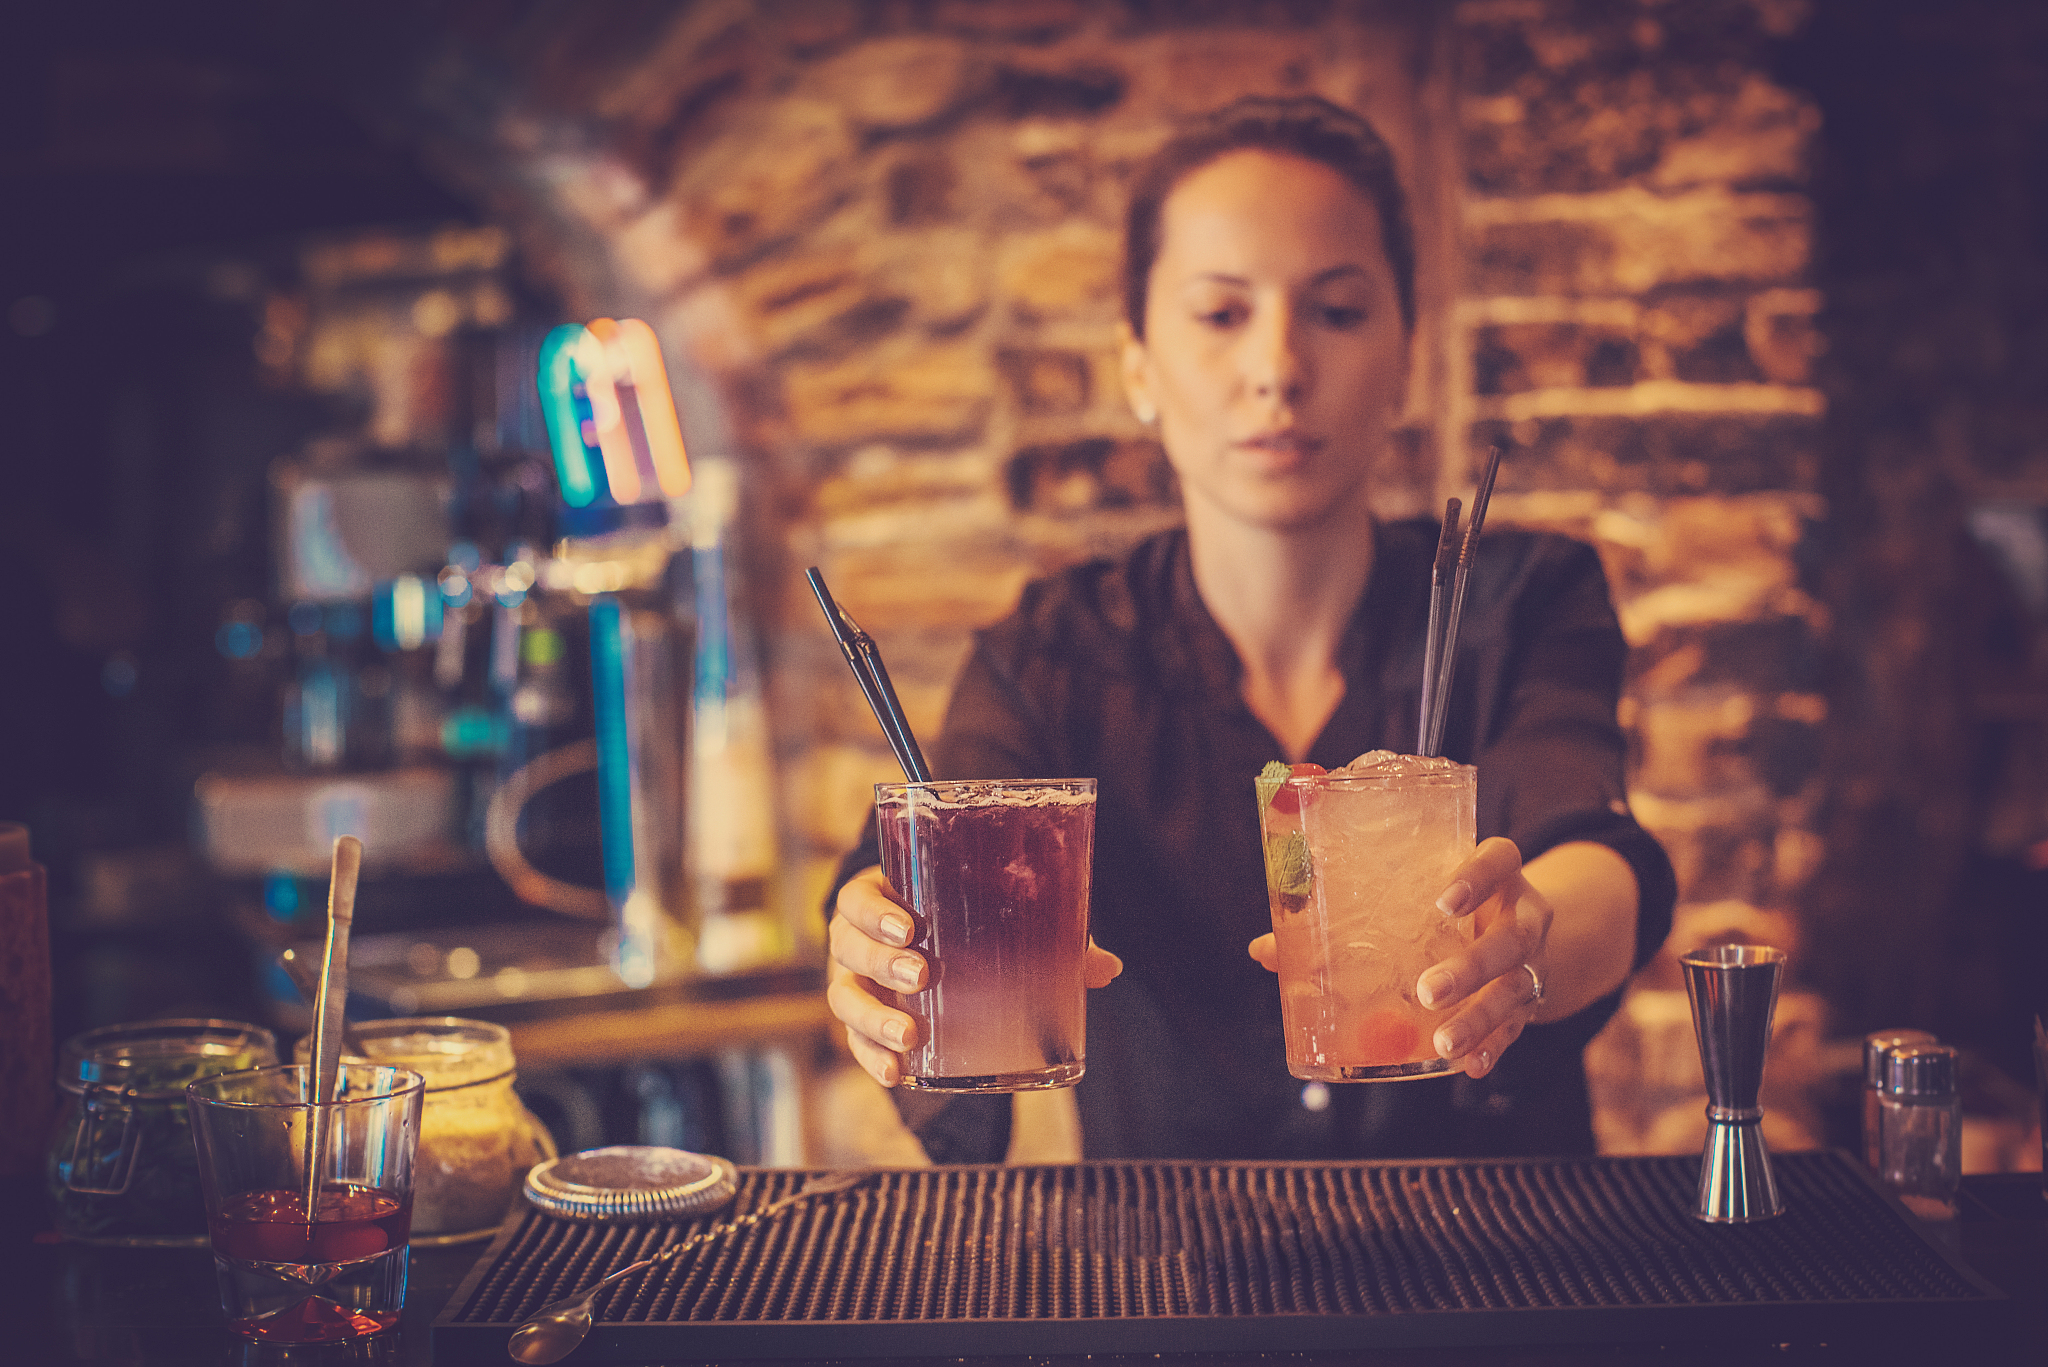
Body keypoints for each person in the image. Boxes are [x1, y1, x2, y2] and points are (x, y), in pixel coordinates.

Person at [827, 96, 1676, 1163]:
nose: (1277, 367)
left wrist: (1527, 937)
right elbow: (919, 862)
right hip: (1169, 1289)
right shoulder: (1051, 654)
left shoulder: (1520, 596)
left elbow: (1592, 849)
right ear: (1138, 365)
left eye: (1335, 309)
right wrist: (876, 949)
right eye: (1221, 313)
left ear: (1405, 352)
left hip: (1501, 1259)